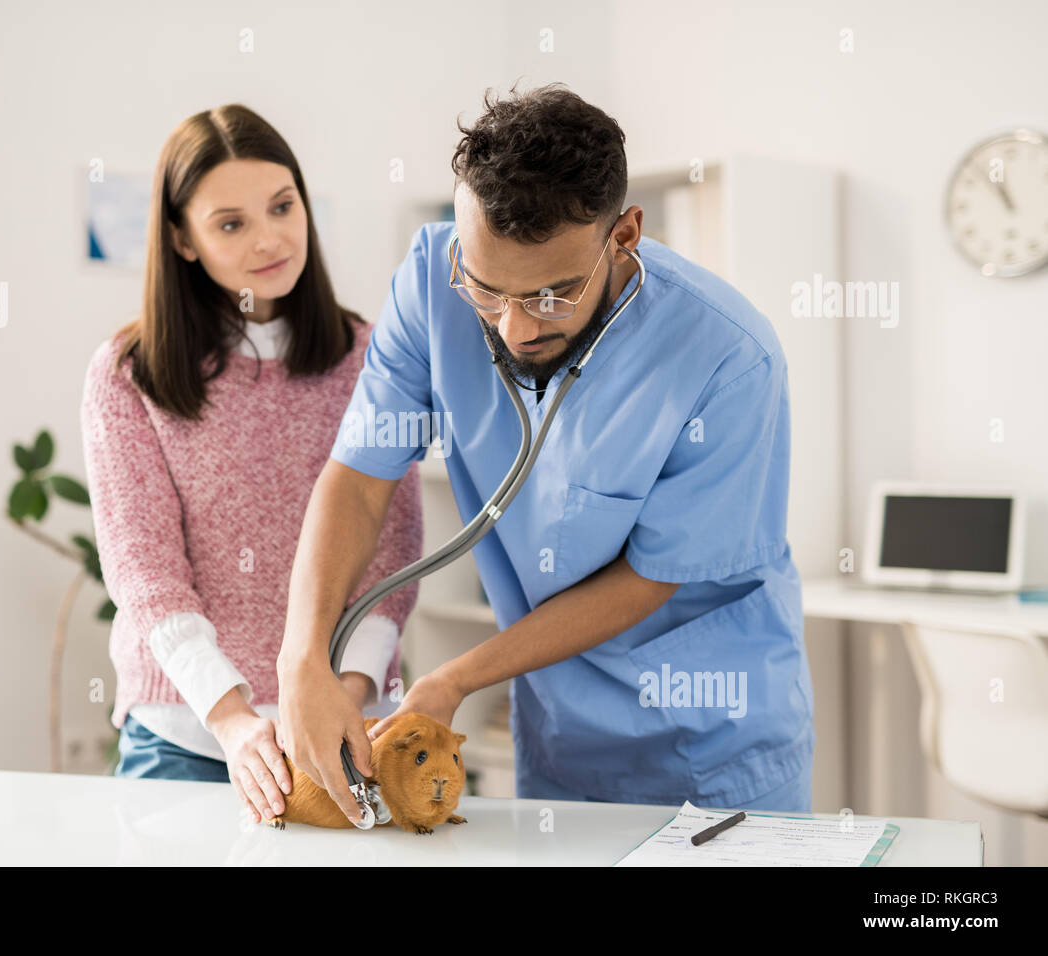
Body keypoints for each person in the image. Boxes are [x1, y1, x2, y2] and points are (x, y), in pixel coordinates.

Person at [278, 83, 815, 825]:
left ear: (623, 235)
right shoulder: (432, 282)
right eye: (487, 291)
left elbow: (648, 581)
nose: (515, 329)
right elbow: (363, 476)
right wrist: (301, 659)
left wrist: (454, 679)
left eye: (554, 295)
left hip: (711, 744)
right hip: (560, 732)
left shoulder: (729, 358)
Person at [79, 104, 422, 826]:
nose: (270, 238)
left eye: (282, 206)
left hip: (350, 727)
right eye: (231, 223)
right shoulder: (127, 374)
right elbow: (145, 574)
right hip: (188, 736)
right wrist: (233, 720)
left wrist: (345, 697)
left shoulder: (371, 355)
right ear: (182, 239)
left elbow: (392, 556)